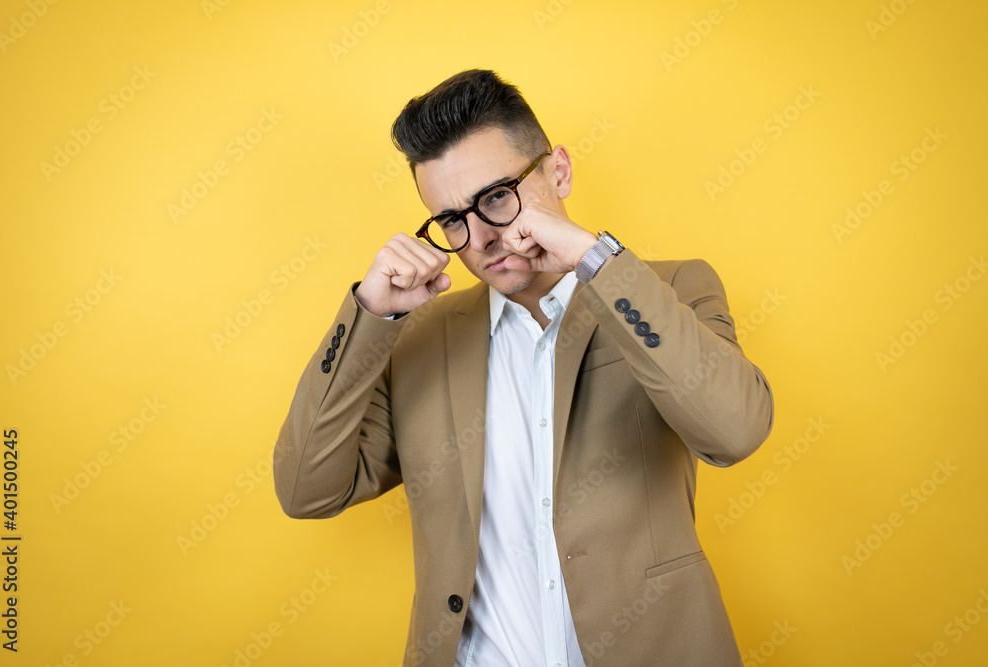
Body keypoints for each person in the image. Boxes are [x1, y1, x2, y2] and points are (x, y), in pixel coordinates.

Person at [273, 69, 774, 666]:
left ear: (557, 171)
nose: (482, 235)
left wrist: (596, 261)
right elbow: (306, 489)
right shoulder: (418, 338)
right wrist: (368, 315)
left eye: (496, 196)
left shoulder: (666, 289)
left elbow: (736, 430)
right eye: (453, 219)